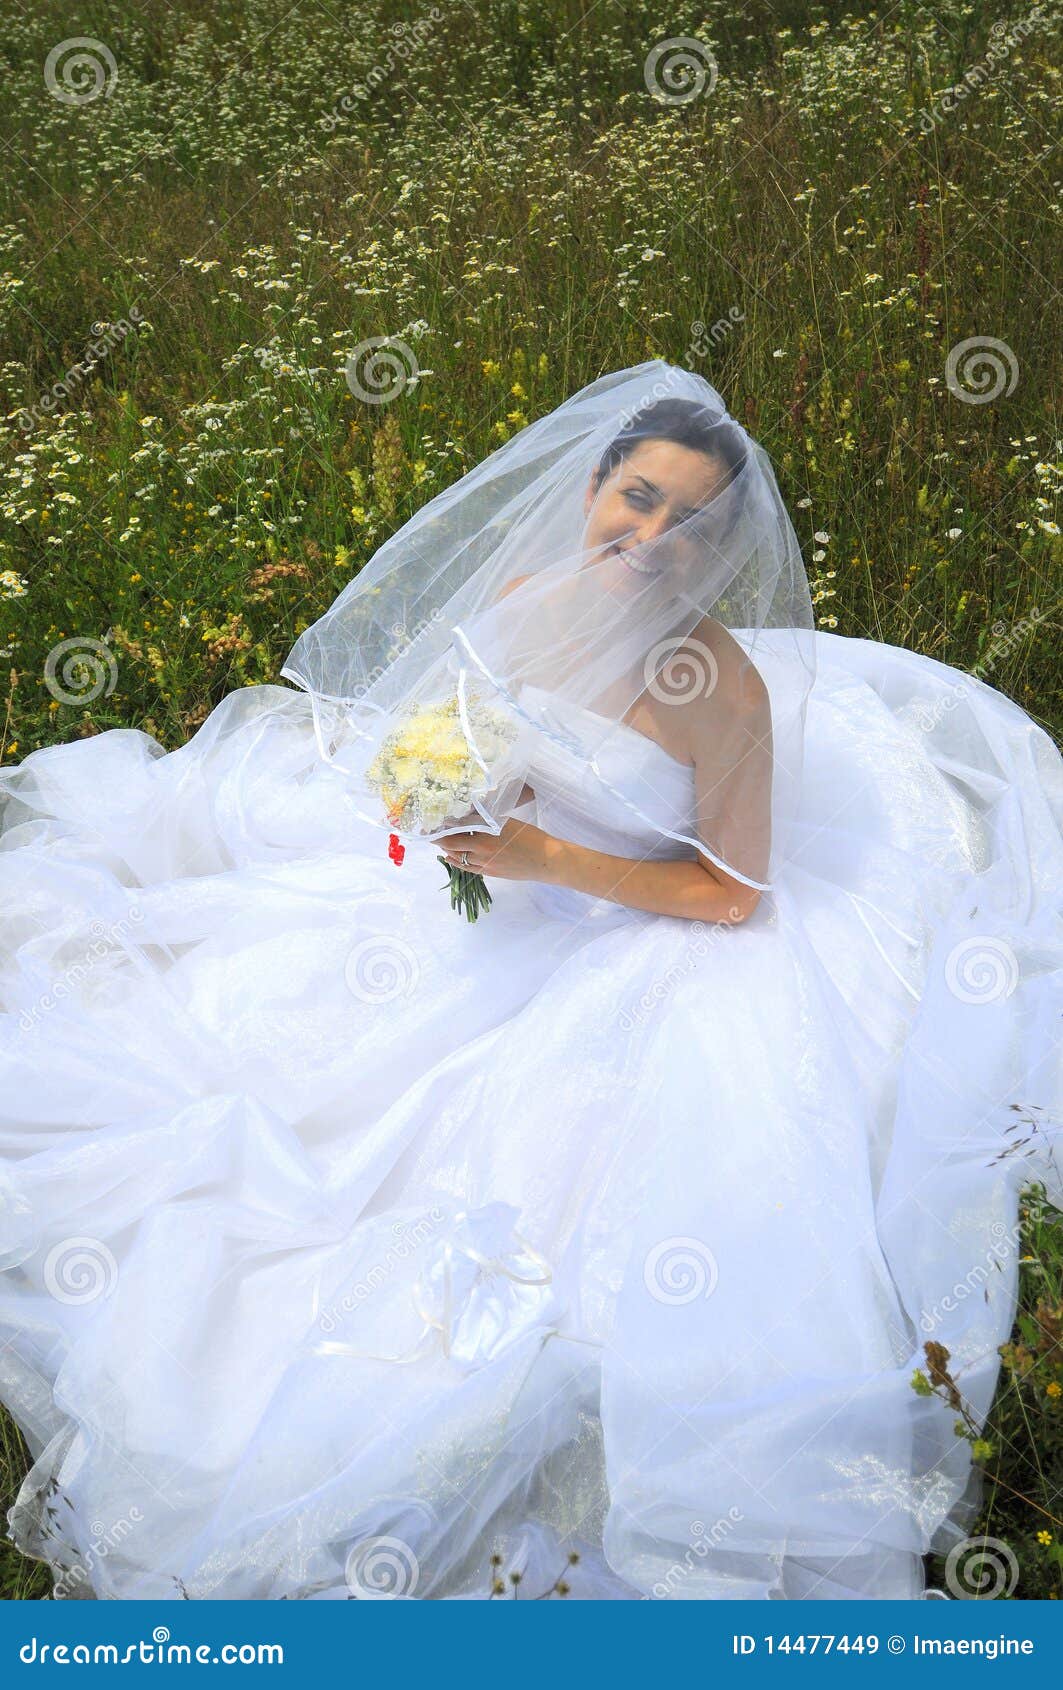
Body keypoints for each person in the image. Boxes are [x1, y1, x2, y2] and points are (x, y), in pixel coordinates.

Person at [0, 362, 1059, 1601]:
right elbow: (475, 732)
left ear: (723, 545)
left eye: (693, 523)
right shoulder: (525, 596)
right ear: (594, 487)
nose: (653, 537)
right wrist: (448, 798)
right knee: (250, 1064)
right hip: (509, 898)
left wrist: (548, 853)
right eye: (638, 497)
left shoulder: (718, 688)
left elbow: (737, 896)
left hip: (655, 928)